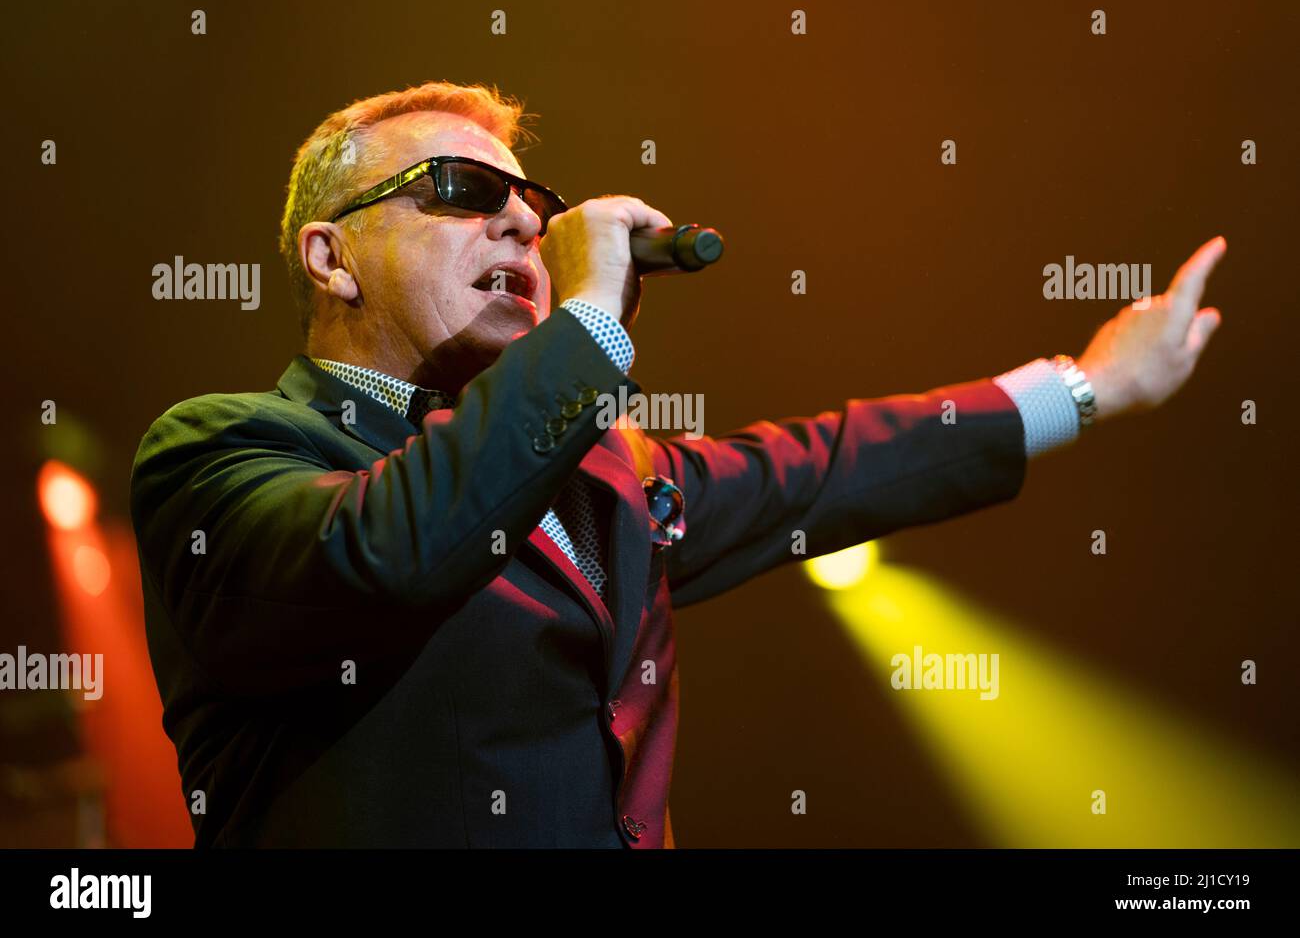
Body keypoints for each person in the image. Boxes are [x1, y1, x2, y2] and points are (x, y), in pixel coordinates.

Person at [130, 80, 1225, 848]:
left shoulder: (598, 474)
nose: (522, 224)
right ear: (332, 256)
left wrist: (1084, 387)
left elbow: (816, 468)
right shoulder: (222, 451)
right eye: (462, 190)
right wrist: (588, 328)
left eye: (535, 206)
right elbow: (387, 552)